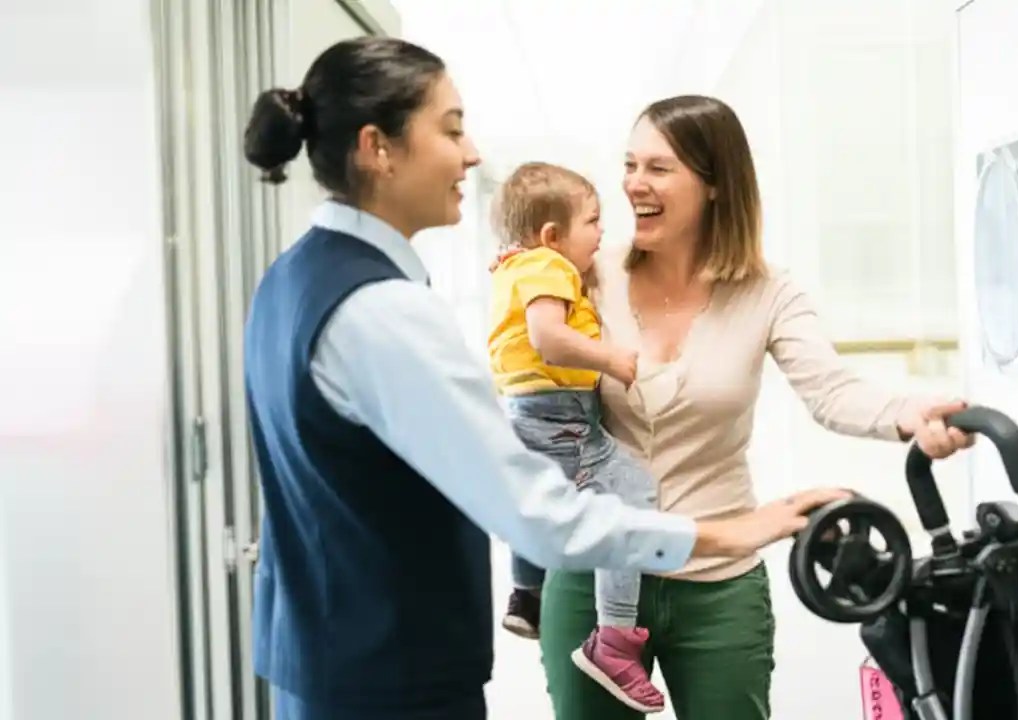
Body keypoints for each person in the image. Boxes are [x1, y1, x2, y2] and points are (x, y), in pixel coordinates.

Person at [240, 41, 849, 720]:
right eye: (451, 129)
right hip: (390, 681)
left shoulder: (290, 281)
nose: (470, 154)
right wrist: (726, 532)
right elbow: (535, 511)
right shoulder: (385, 311)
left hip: (326, 664)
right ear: (378, 148)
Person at [537, 94, 975, 720]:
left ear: (715, 183)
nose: (635, 184)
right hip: (593, 576)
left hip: (718, 584)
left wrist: (912, 412)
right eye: (629, 165)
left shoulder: (769, 293)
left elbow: (831, 391)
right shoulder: (587, 276)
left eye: (659, 168)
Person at [486, 162, 666, 713]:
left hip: (528, 412)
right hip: (560, 413)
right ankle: (614, 637)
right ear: (550, 236)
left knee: (537, 495)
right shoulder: (548, 267)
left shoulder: (520, 266)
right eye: (593, 221)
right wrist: (610, 358)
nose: (602, 232)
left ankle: (526, 592)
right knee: (632, 499)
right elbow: (548, 339)